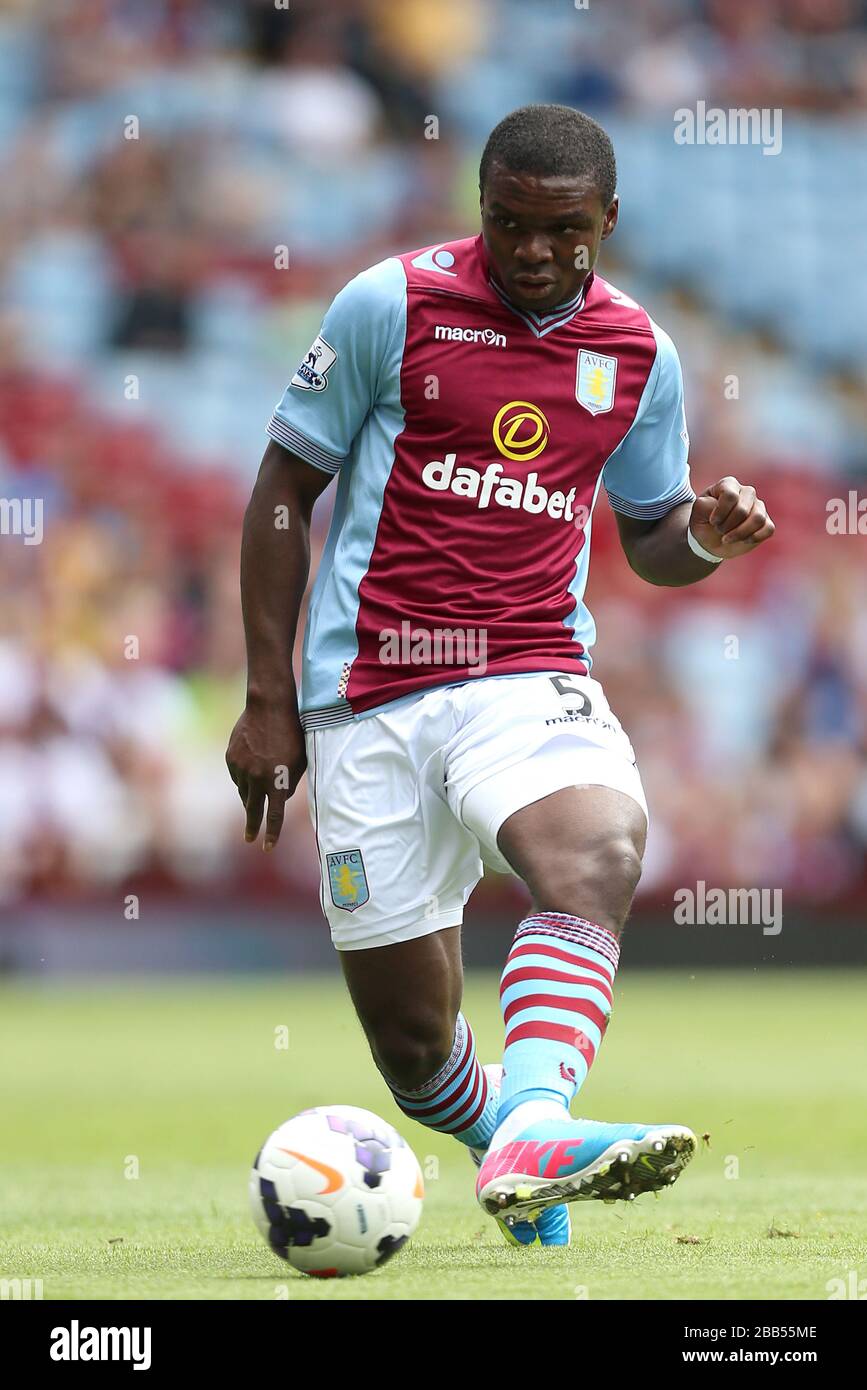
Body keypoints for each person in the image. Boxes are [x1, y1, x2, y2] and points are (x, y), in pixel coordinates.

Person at [226, 104, 774, 1247]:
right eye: (509, 223)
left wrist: (707, 540)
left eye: (562, 230)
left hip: (526, 668)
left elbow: (653, 535)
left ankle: (535, 1116)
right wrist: (268, 698)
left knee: (600, 849)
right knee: (417, 1051)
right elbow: (285, 489)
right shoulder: (393, 304)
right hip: (366, 692)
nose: (532, 250)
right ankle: (504, 1149)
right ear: (480, 208)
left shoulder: (639, 356)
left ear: (608, 221)